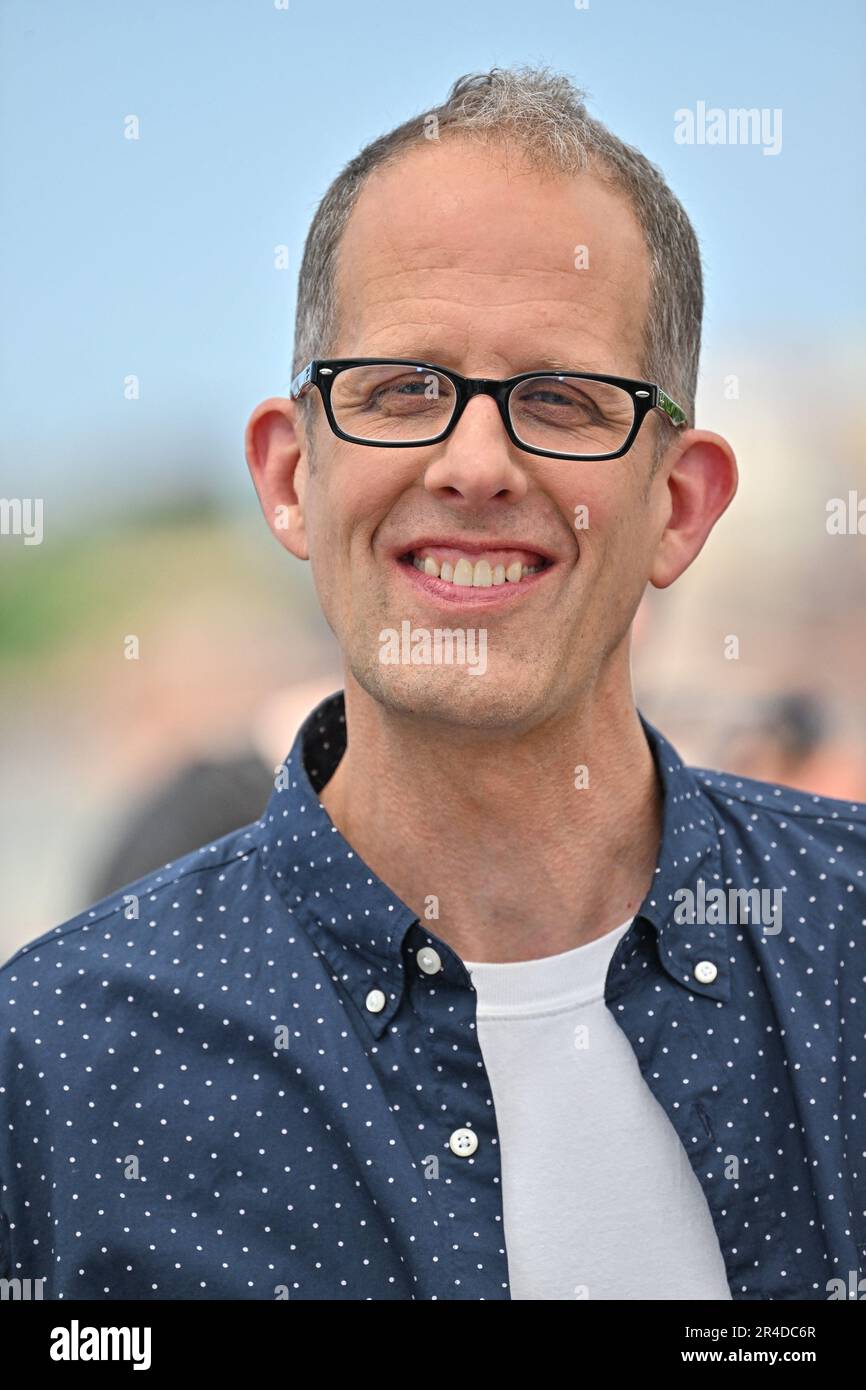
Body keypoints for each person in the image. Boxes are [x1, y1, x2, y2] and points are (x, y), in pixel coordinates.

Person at [1, 65, 864, 1302]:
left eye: (560, 399)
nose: (473, 463)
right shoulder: (52, 1065)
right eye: (404, 389)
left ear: (677, 504)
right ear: (292, 476)